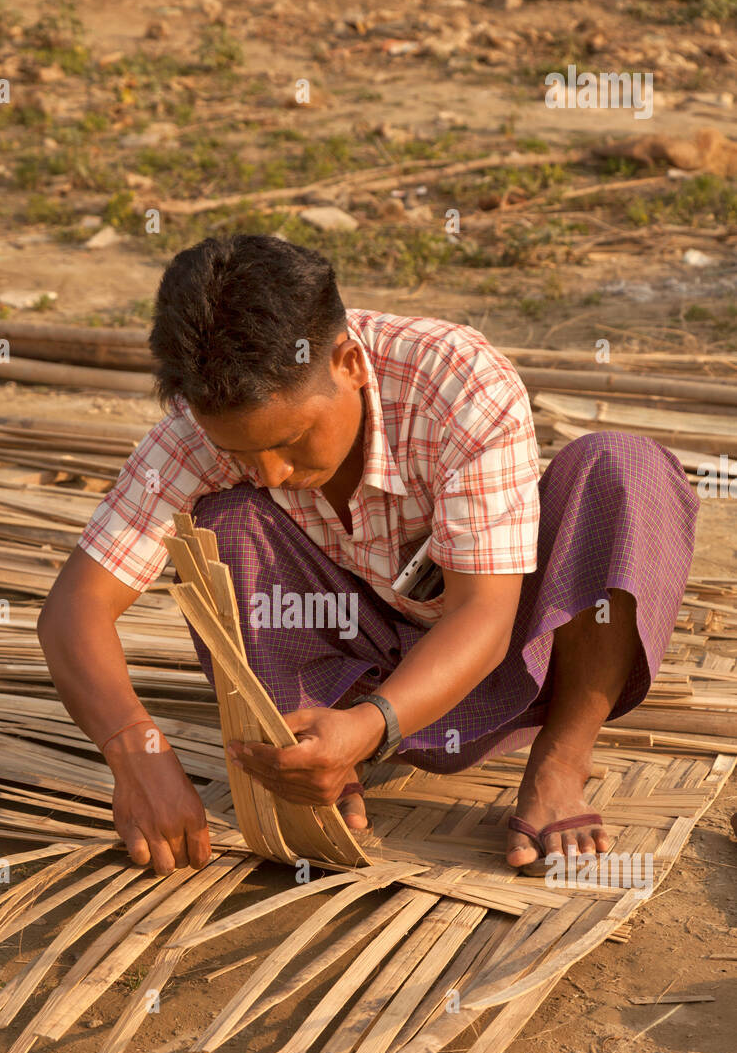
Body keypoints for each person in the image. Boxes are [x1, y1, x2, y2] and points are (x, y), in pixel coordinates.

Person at [38, 234, 698, 878]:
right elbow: (74, 609)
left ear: (349, 363)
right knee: (230, 516)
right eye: (241, 453)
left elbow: (485, 618)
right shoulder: (196, 428)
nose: (268, 471)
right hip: (356, 660)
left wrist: (373, 724)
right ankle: (307, 754)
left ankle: (561, 759)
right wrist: (136, 750)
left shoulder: (459, 382)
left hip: (518, 660)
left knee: (622, 467)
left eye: (292, 441)